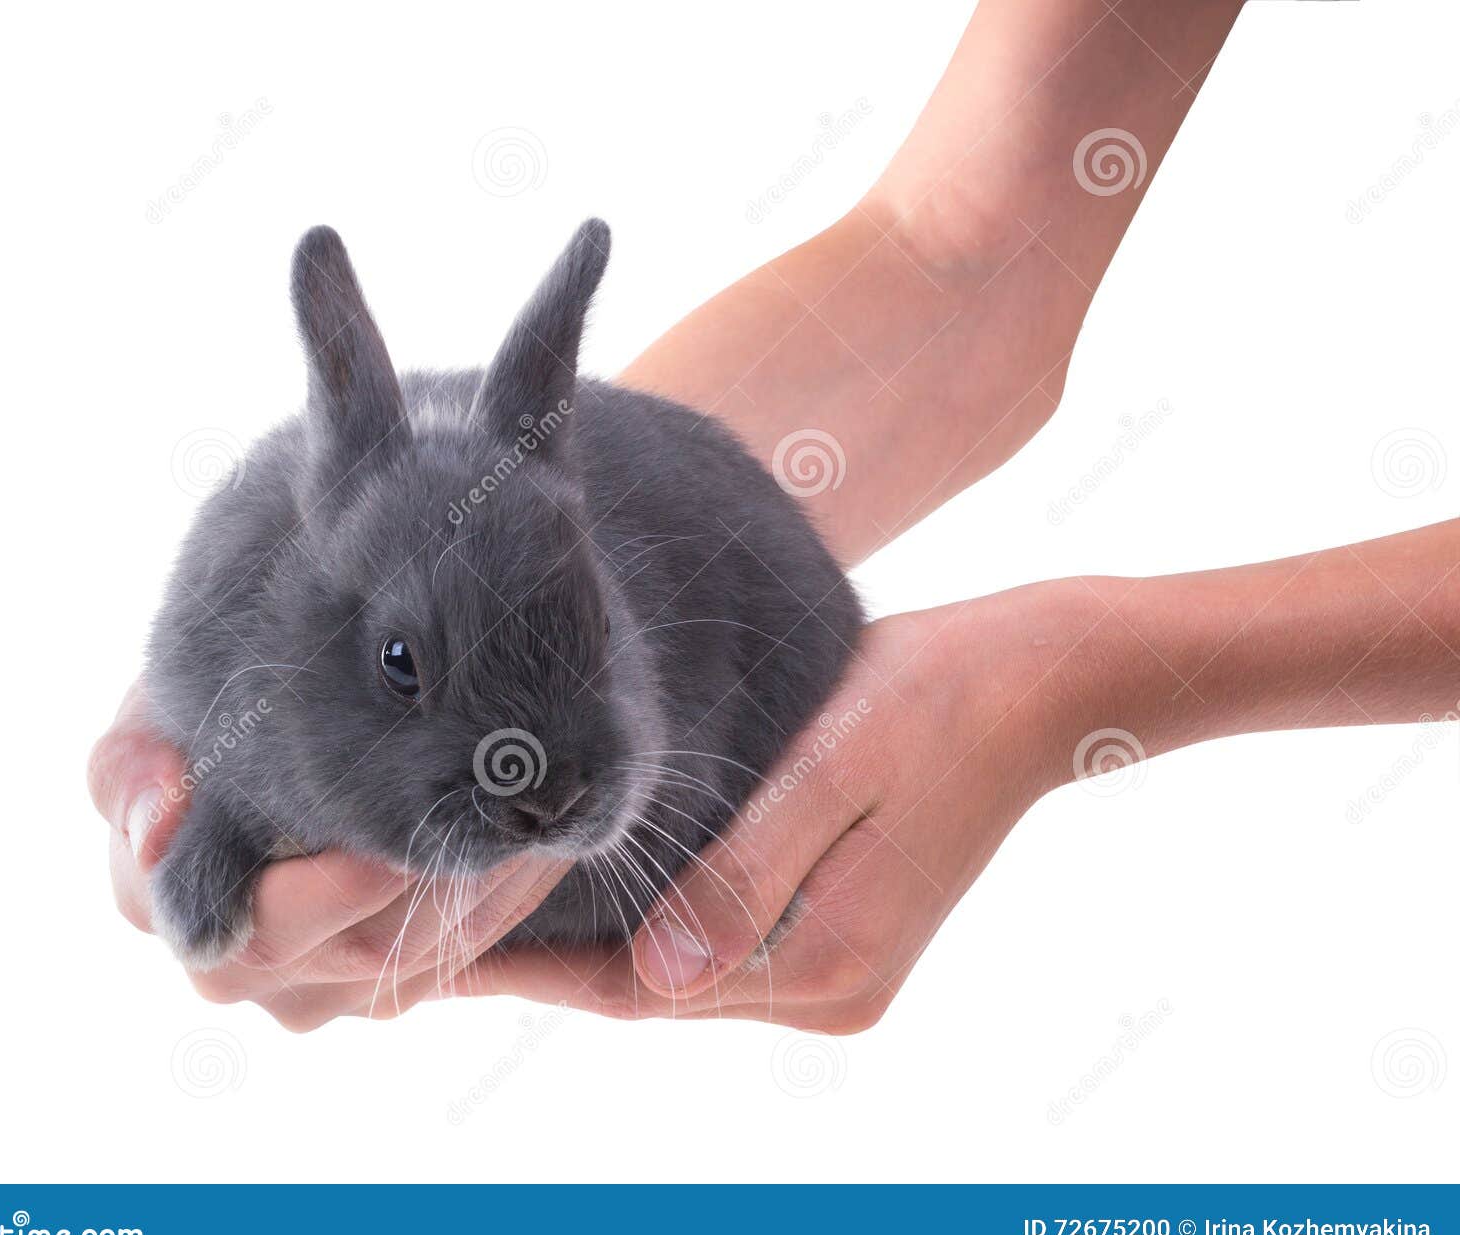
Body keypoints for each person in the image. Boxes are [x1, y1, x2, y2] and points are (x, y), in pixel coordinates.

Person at [88, 0, 1458, 1033]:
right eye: (402, 665)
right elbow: (965, 246)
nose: (535, 779)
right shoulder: (258, 591)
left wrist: (1067, 673)